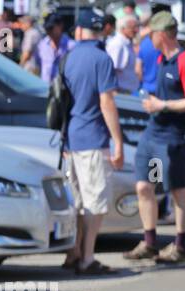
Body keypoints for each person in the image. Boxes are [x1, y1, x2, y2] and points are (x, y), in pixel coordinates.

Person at [124, 11, 185, 263]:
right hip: (153, 133)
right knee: (144, 186)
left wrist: (163, 105)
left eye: (151, 36)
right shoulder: (160, 59)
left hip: (173, 136)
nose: (148, 40)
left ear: (162, 35)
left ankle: (180, 246)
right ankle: (149, 242)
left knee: (177, 190)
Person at [61, 9, 125, 275]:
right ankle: (88, 258)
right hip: (93, 137)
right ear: (101, 30)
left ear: (79, 30)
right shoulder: (101, 58)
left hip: (69, 138)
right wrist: (118, 142)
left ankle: (73, 252)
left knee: (76, 200)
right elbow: (107, 102)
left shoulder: (67, 57)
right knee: (95, 201)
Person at [136, 4, 171, 92]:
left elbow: (138, 70)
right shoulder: (169, 44)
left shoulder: (144, 43)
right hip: (164, 91)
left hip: (146, 88)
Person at [38, 14, 75, 83]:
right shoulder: (42, 45)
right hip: (46, 87)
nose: (49, 32)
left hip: (65, 88)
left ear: (60, 25)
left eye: (51, 28)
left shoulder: (71, 46)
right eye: (47, 29)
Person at [108, 14, 140, 92]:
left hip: (128, 91)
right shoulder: (118, 44)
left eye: (137, 27)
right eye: (132, 27)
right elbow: (112, 71)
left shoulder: (127, 43)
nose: (136, 30)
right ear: (122, 29)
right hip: (121, 92)